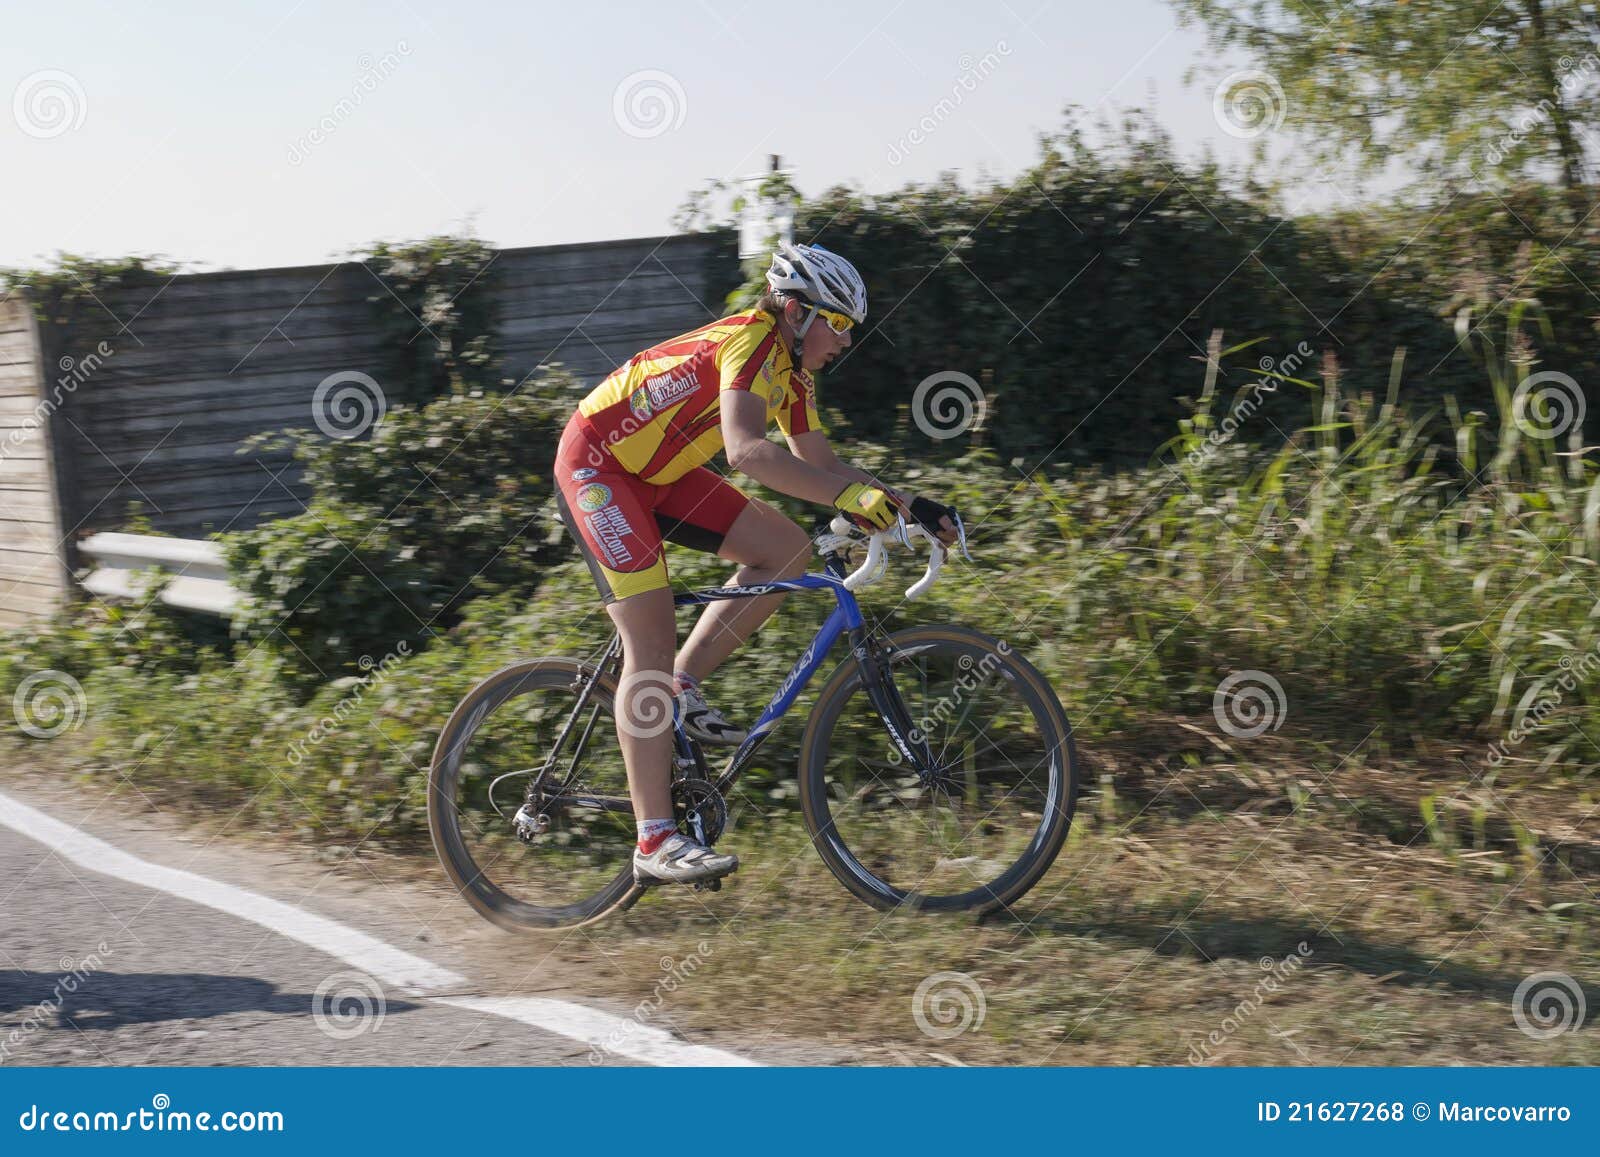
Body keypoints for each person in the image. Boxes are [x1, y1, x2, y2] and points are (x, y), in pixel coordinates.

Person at [553, 241, 958, 886]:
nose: (846, 342)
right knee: (649, 643)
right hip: (599, 467)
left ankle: (681, 689)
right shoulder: (748, 341)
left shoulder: (793, 376)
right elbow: (745, 451)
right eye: (841, 324)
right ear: (798, 312)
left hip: (662, 473)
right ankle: (654, 840)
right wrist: (853, 500)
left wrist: (909, 504)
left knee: (788, 552)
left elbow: (820, 466)